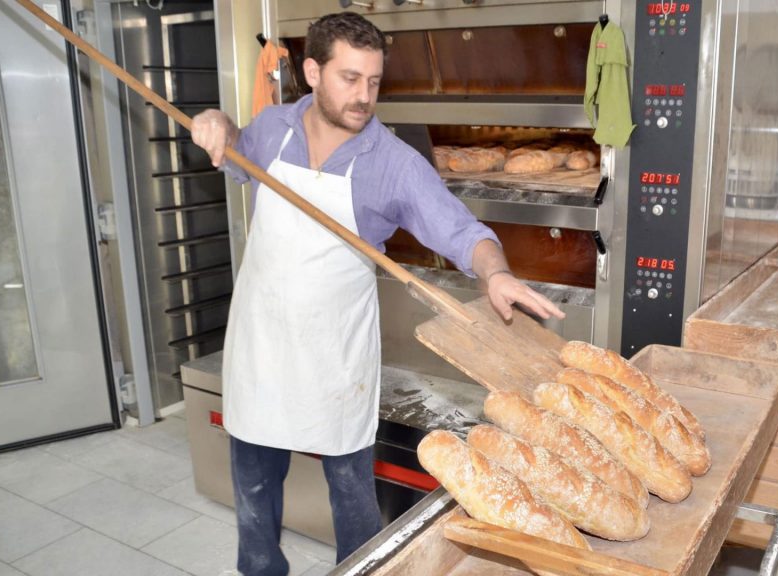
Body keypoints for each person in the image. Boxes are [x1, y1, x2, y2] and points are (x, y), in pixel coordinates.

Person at [190, 11, 564, 576]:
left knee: (352, 495)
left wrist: (495, 273)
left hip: (337, 354)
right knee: (255, 486)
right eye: (349, 78)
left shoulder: (392, 163)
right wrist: (217, 122)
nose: (364, 96)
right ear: (312, 71)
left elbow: (462, 231)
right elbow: (236, 152)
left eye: (374, 81)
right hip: (262, 343)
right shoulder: (272, 131)